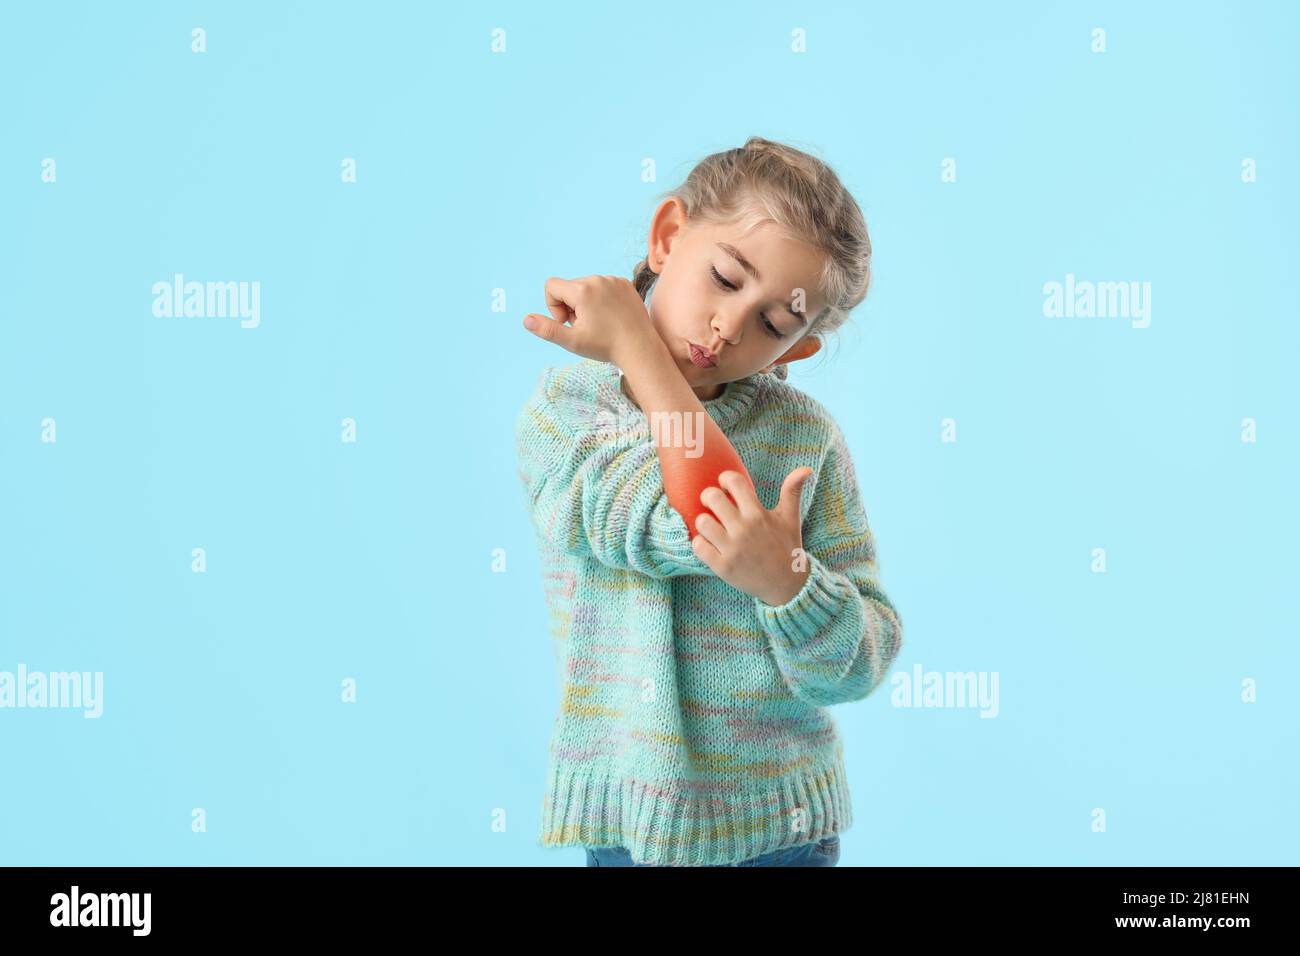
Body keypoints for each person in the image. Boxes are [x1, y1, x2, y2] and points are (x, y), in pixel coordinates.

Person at [516, 137, 902, 867]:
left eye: (775, 324)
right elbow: (681, 521)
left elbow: (859, 660)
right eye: (725, 278)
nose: (729, 326)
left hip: (785, 827)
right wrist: (636, 346)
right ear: (667, 236)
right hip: (631, 825)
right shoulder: (563, 415)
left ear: (795, 352)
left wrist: (789, 586)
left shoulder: (805, 439)